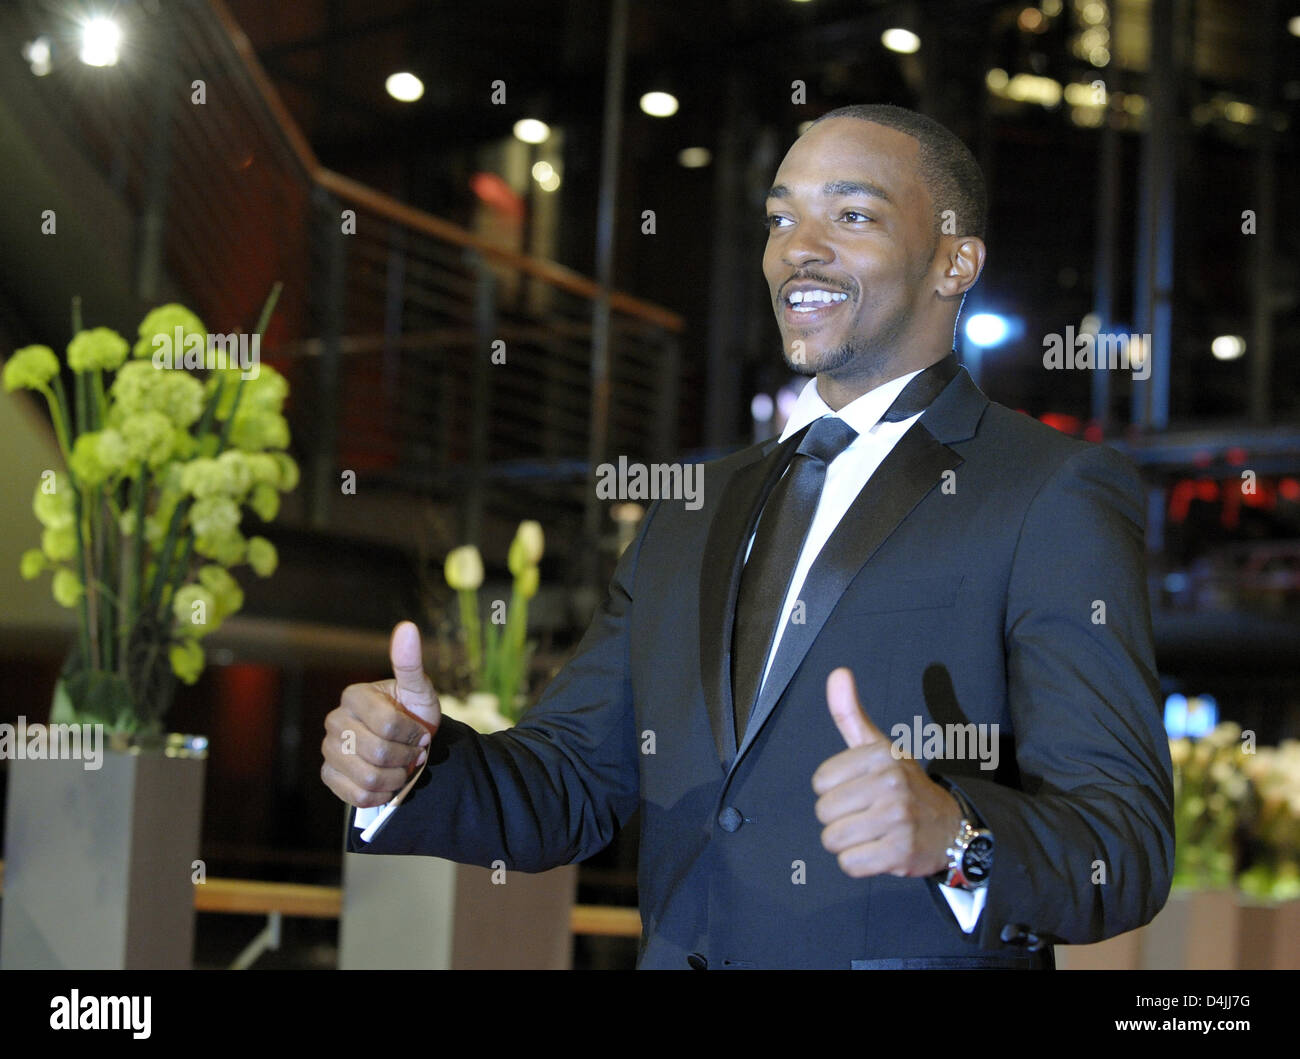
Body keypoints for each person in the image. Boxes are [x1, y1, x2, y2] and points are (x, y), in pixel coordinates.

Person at [320, 103, 1174, 970]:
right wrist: (414, 768)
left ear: (954, 261)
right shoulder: (693, 503)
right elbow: (572, 779)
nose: (797, 247)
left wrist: (956, 836)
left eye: (852, 214)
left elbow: (1126, 844)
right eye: (780, 217)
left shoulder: (1050, 489)